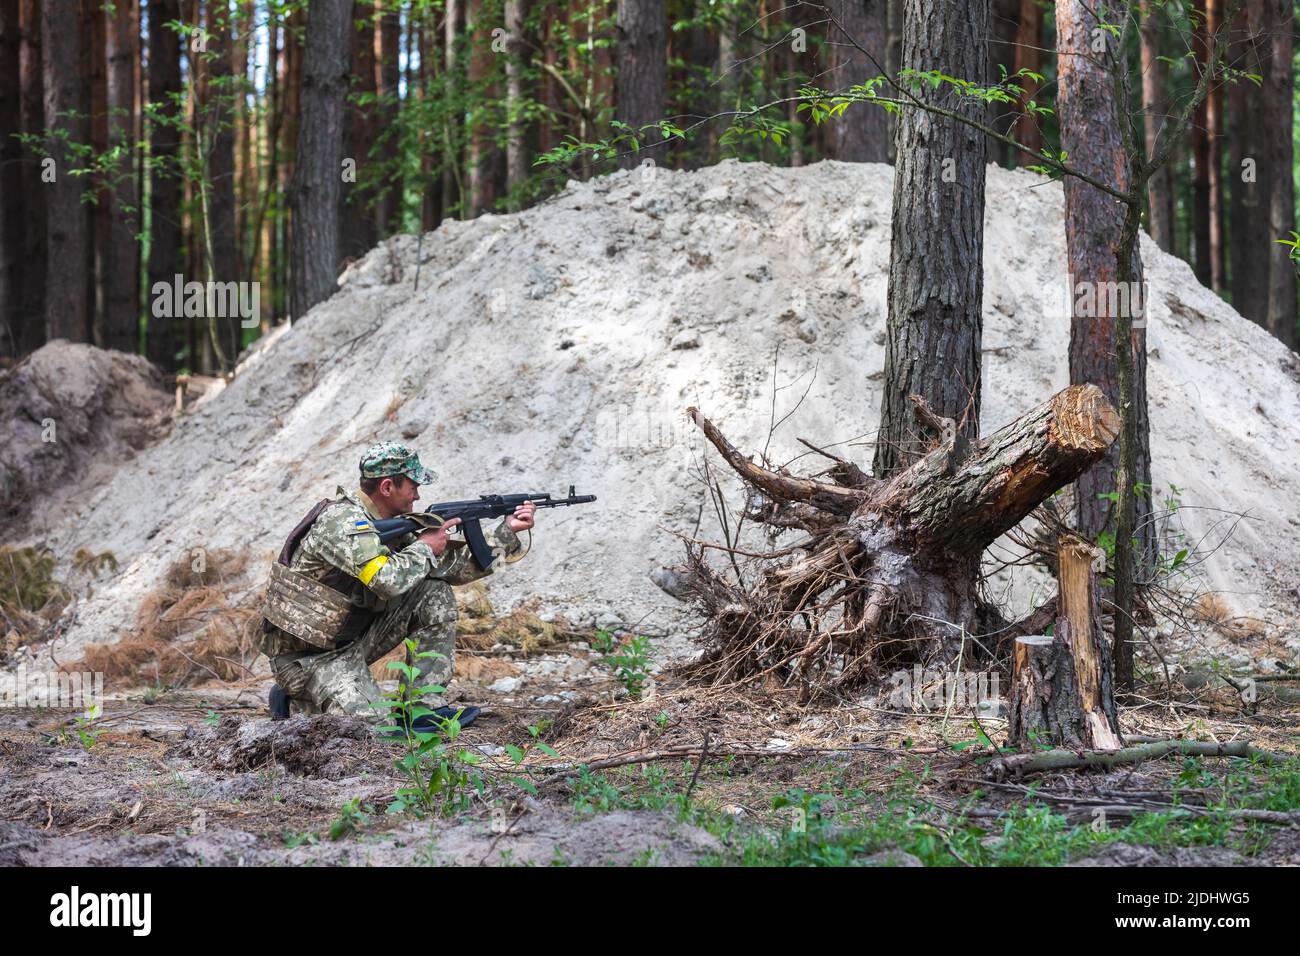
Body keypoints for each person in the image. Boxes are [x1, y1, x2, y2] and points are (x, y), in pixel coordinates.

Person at [259, 441, 535, 728]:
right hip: (308, 660)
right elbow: (386, 582)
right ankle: (294, 694)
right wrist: (426, 548)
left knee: (433, 592)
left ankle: (422, 707)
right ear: (387, 487)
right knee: (370, 732)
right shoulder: (343, 523)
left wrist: (507, 532)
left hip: (350, 642)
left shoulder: (387, 524)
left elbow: (453, 570)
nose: (417, 494)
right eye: (413, 486)